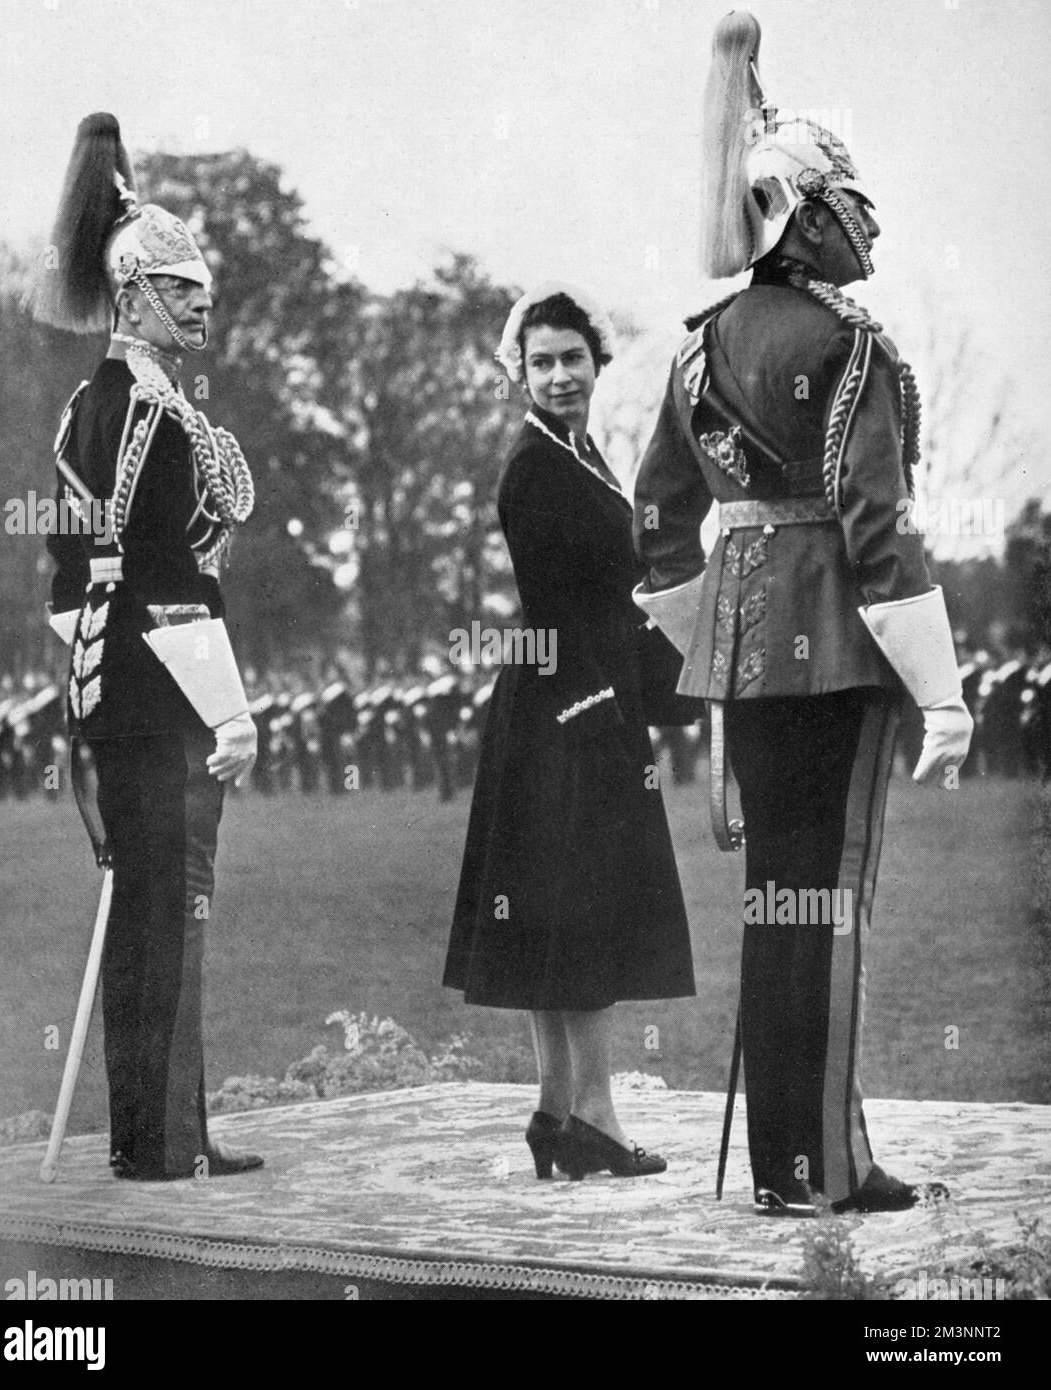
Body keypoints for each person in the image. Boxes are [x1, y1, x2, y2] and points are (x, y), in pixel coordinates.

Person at [633, 14, 973, 1215]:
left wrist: (708, 632)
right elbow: (877, 532)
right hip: (834, 648)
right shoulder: (850, 344)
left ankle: (789, 1155)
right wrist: (939, 687)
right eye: (844, 203)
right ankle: (818, 1168)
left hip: (741, 652)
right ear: (807, 213)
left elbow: (657, 526)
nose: (860, 223)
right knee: (825, 905)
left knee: (774, 902)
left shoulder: (692, 354)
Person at [34, 113, 262, 1181]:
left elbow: (67, 579)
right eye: (182, 289)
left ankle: (151, 1130)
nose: (201, 303)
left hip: (105, 684)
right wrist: (230, 708)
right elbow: (173, 587)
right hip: (164, 689)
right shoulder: (150, 415)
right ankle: (165, 1140)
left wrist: (79, 687)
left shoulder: (95, 404)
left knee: (148, 907)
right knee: (171, 905)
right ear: (132, 293)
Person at [444, 284, 696, 1181]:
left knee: (557, 914)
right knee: (580, 913)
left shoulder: (579, 452)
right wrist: (600, 718)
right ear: (518, 372)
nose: (558, 375)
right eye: (540, 362)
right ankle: (594, 1115)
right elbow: (556, 607)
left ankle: (557, 1112)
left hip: (568, 702)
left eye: (571, 358)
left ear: (597, 362)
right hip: (566, 708)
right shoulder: (534, 468)